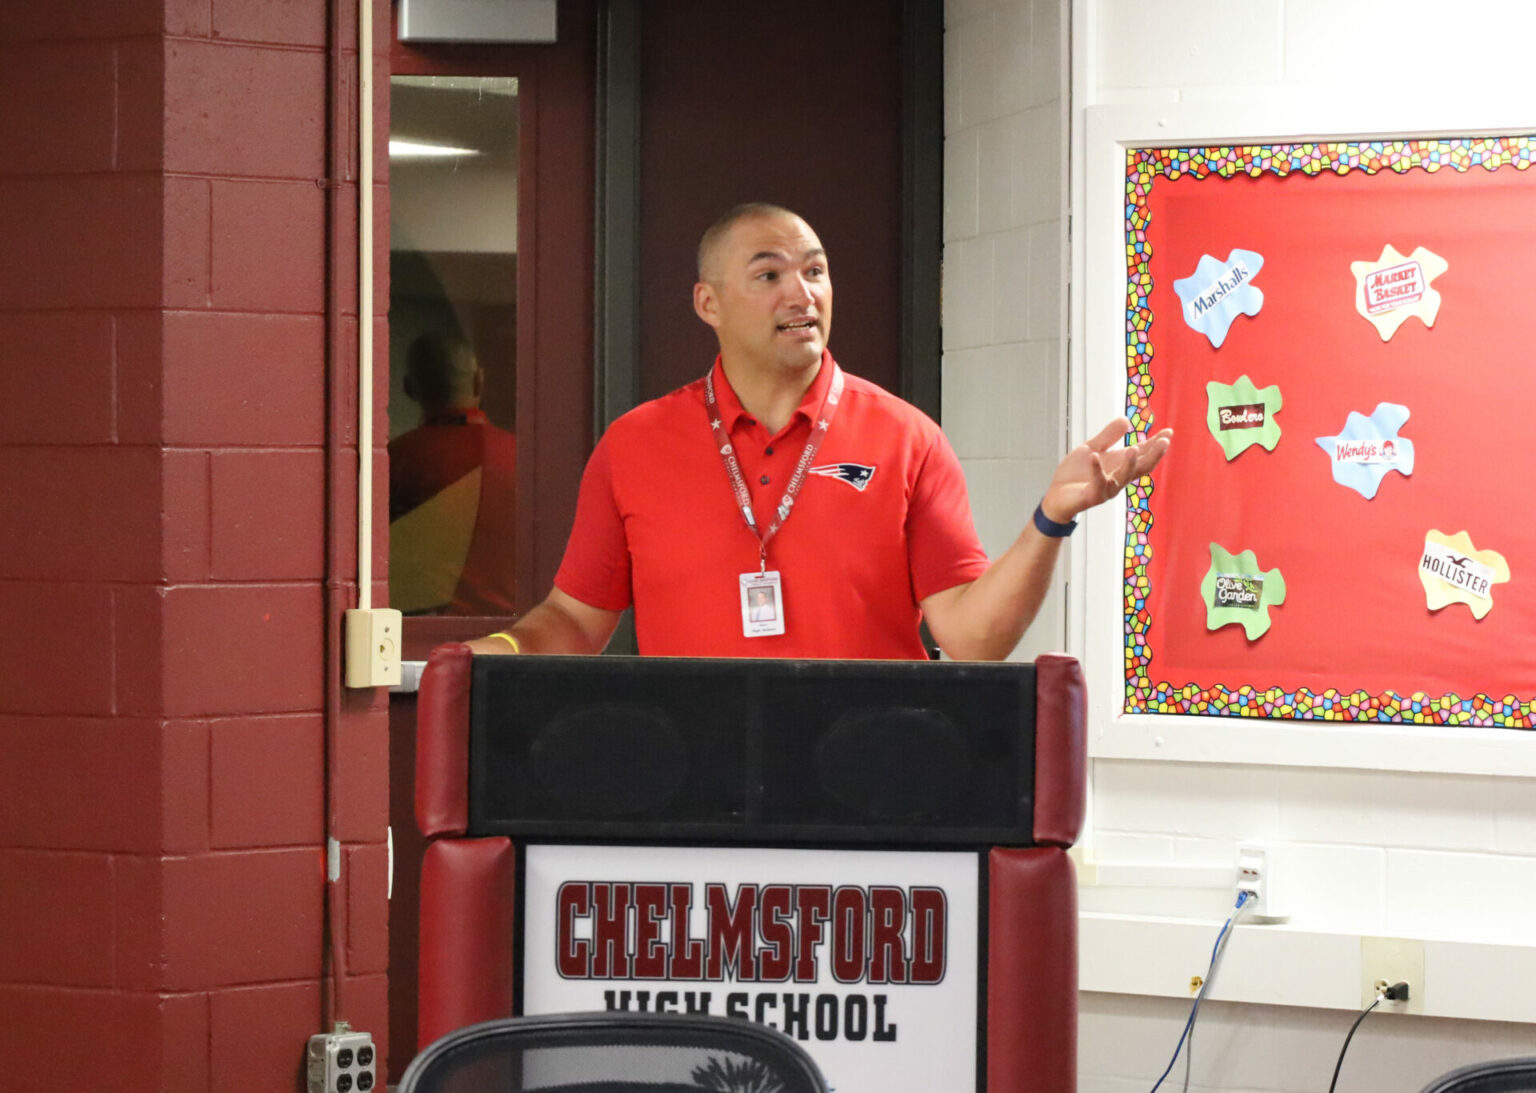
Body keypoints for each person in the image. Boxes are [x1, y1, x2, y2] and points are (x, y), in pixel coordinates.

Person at [468, 203, 1170, 660]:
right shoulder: (635, 443)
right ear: (707, 302)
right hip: (695, 776)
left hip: (866, 777)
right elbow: (575, 619)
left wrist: (1050, 521)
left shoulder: (907, 437)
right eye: (769, 274)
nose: (801, 294)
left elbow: (972, 638)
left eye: (815, 272)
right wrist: (496, 650)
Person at [389, 329, 519, 615]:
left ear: (409, 388)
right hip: (512, 637)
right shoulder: (523, 459)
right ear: (479, 381)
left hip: (421, 635)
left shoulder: (392, 462)